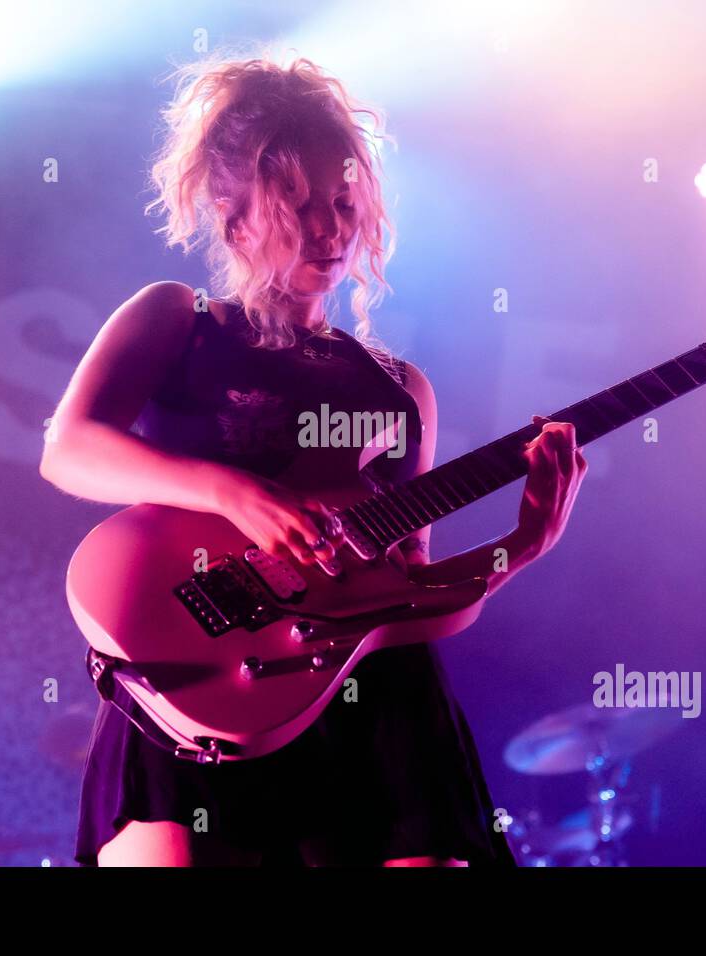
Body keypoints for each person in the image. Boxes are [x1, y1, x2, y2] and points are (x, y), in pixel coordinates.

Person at [40, 52, 588, 867]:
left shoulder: (402, 390)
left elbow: (403, 594)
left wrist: (519, 548)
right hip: (195, 681)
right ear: (234, 214)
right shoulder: (177, 320)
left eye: (343, 201)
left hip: (378, 712)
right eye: (297, 204)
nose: (330, 228)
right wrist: (232, 492)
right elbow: (69, 448)